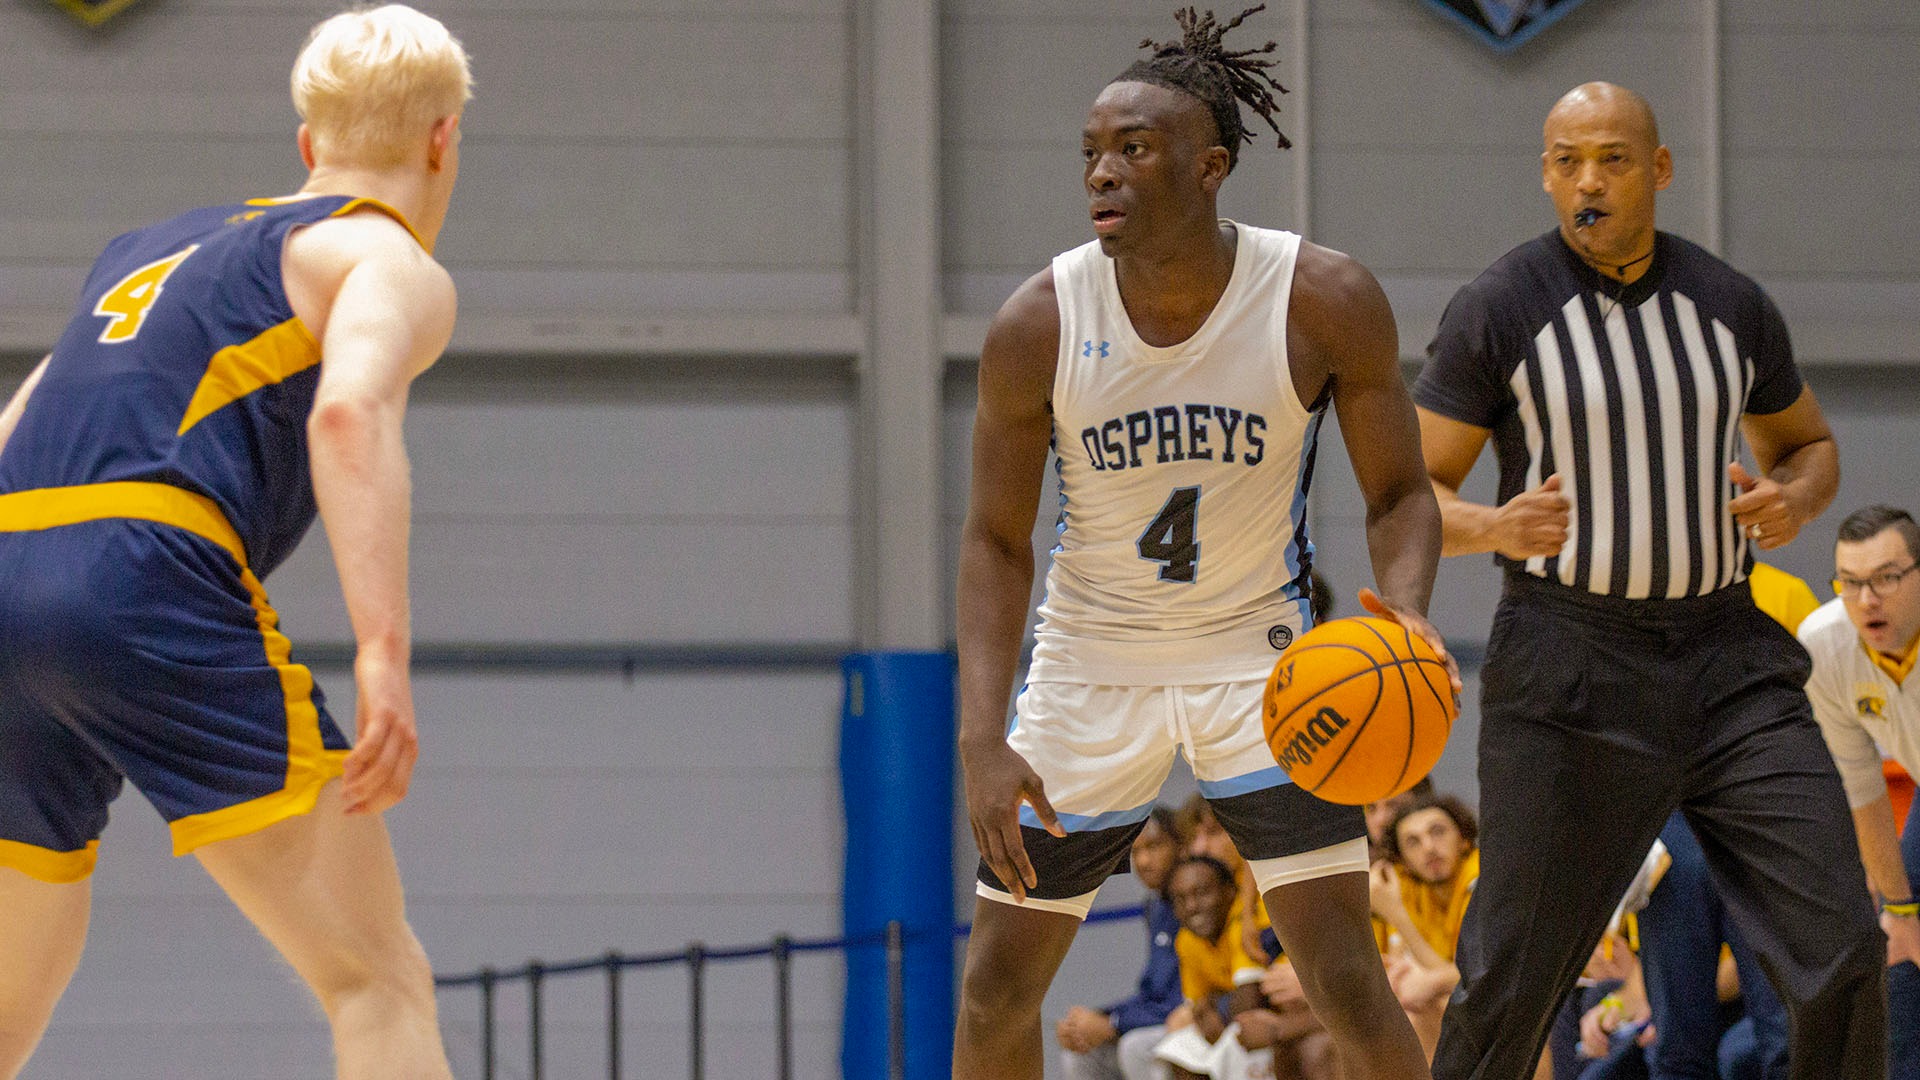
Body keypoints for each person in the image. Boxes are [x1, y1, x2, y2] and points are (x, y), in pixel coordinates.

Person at [952, 7, 1457, 1078]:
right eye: (1091, 152)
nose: (1104, 173)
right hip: (1091, 666)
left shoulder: (1322, 299)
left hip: (1261, 666)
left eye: (1135, 150)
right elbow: (997, 542)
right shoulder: (1037, 322)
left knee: (1346, 981)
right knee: (996, 990)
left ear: (1212, 165)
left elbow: (1403, 493)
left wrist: (1406, 615)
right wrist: (980, 735)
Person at [0, 7, 468, 1075]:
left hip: (5, 558)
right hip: (137, 573)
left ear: (309, 143)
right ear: (443, 138)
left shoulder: (145, 251)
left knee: (4, 1006)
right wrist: (384, 655)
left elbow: (14, 430)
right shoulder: (382, 259)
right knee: (374, 978)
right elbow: (348, 415)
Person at [1412, 81, 1885, 1080]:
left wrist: (1794, 496)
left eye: (1614, 159)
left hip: (1730, 664)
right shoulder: (1499, 308)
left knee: (1843, 948)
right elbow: (1409, 496)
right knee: (1509, 977)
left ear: (1659, 169)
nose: (1589, 181)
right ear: (1545, 172)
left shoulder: (1729, 304)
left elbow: (1809, 446)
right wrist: (1493, 524)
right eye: (1568, 160)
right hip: (1567, 669)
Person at [1801, 505, 1920, 1080]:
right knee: (1898, 959)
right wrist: (1899, 910)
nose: (1868, 599)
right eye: (1851, 583)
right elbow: (1862, 789)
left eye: (1887, 578)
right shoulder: (1824, 645)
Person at [1060, 806, 1186, 1080]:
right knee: (1081, 1049)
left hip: (1189, 1021)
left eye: (1153, 847)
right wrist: (1092, 1020)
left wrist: (1111, 1023)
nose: (1142, 861)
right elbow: (1152, 993)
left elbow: (1182, 1001)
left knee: (1135, 1047)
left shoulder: (1195, 900)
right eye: (1135, 851)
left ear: (1181, 846)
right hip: (1158, 1019)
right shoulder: (1156, 907)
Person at [1372, 794, 1481, 1058]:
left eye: (1438, 832)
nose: (1429, 847)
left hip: (1507, 1012)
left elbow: (1477, 980)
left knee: (1416, 1012)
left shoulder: (1479, 880)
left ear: (1464, 839)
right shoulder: (1414, 887)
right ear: (1404, 861)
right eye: (1413, 842)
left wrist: (1396, 915)